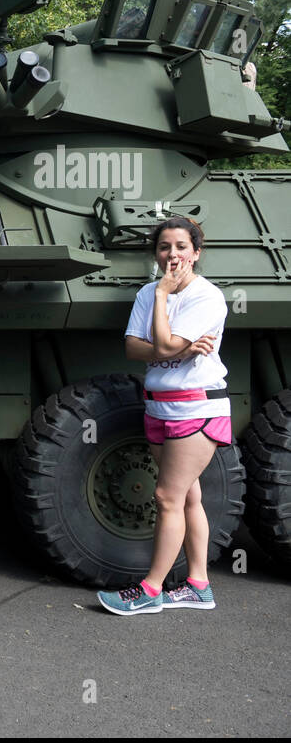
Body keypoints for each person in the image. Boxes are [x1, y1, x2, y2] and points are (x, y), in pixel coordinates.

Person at [98, 217, 228, 615]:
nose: (172, 255)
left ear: (196, 252)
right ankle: (198, 586)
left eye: (181, 247)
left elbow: (166, 341)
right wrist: (176, 347)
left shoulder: (207, 297)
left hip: (196, 407)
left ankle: (151, 591)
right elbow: (135, 350)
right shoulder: (146, 292)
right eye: (164, 247)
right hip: (159, 405)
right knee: (189, 497)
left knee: (166, 497)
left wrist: (164, 309)